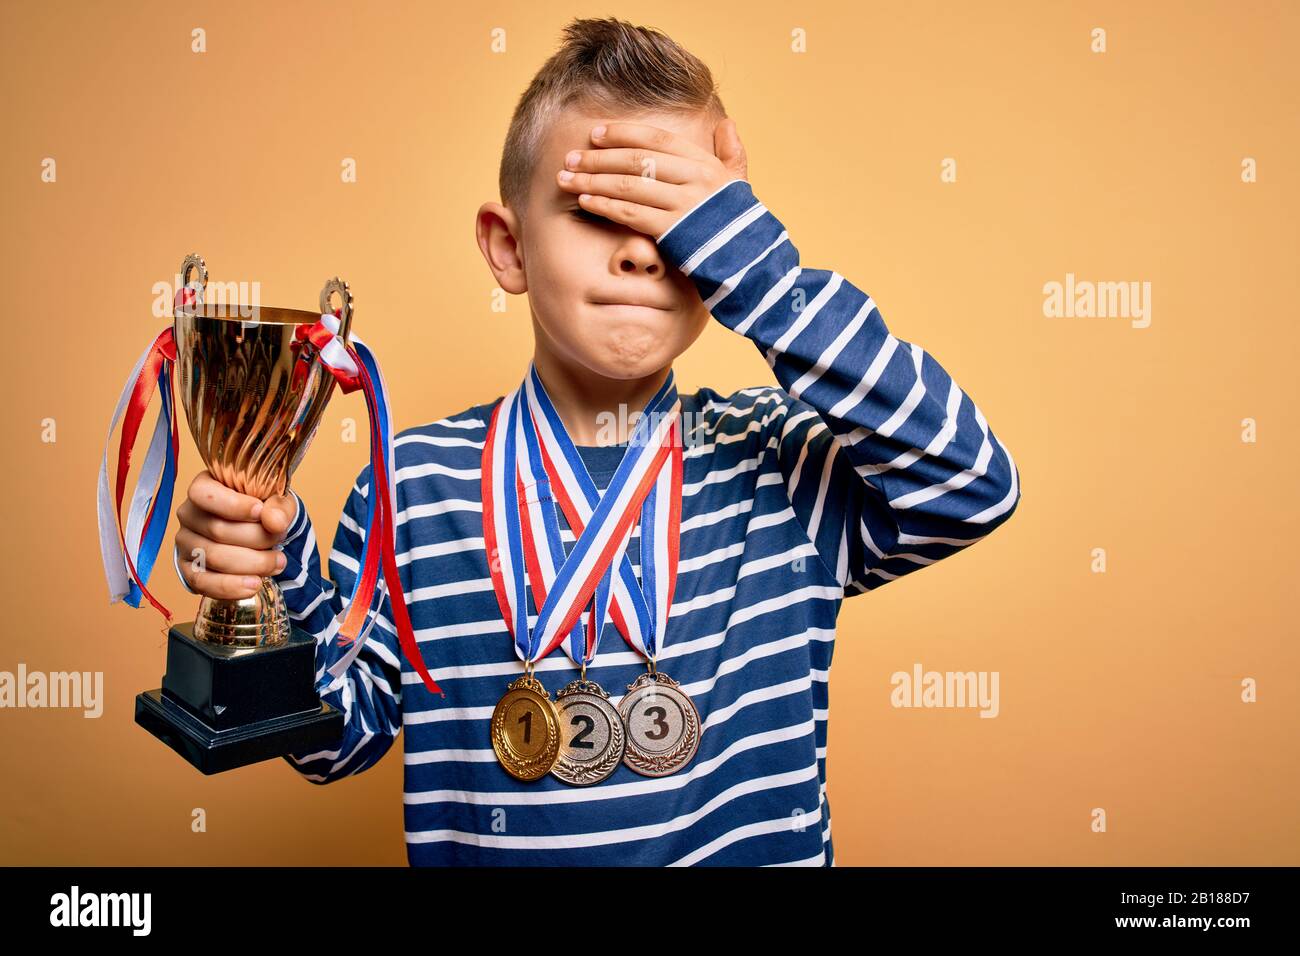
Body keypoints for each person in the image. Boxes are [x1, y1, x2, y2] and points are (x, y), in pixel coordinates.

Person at [172, 16, 1021, 866]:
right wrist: (266, 572)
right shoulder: (412, 487)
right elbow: (336, 742)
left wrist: (758, 266)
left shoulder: (785, 462)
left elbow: (973, 484)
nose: (645, 256)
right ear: (509, 248)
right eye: (595, 212)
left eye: (680, 220)